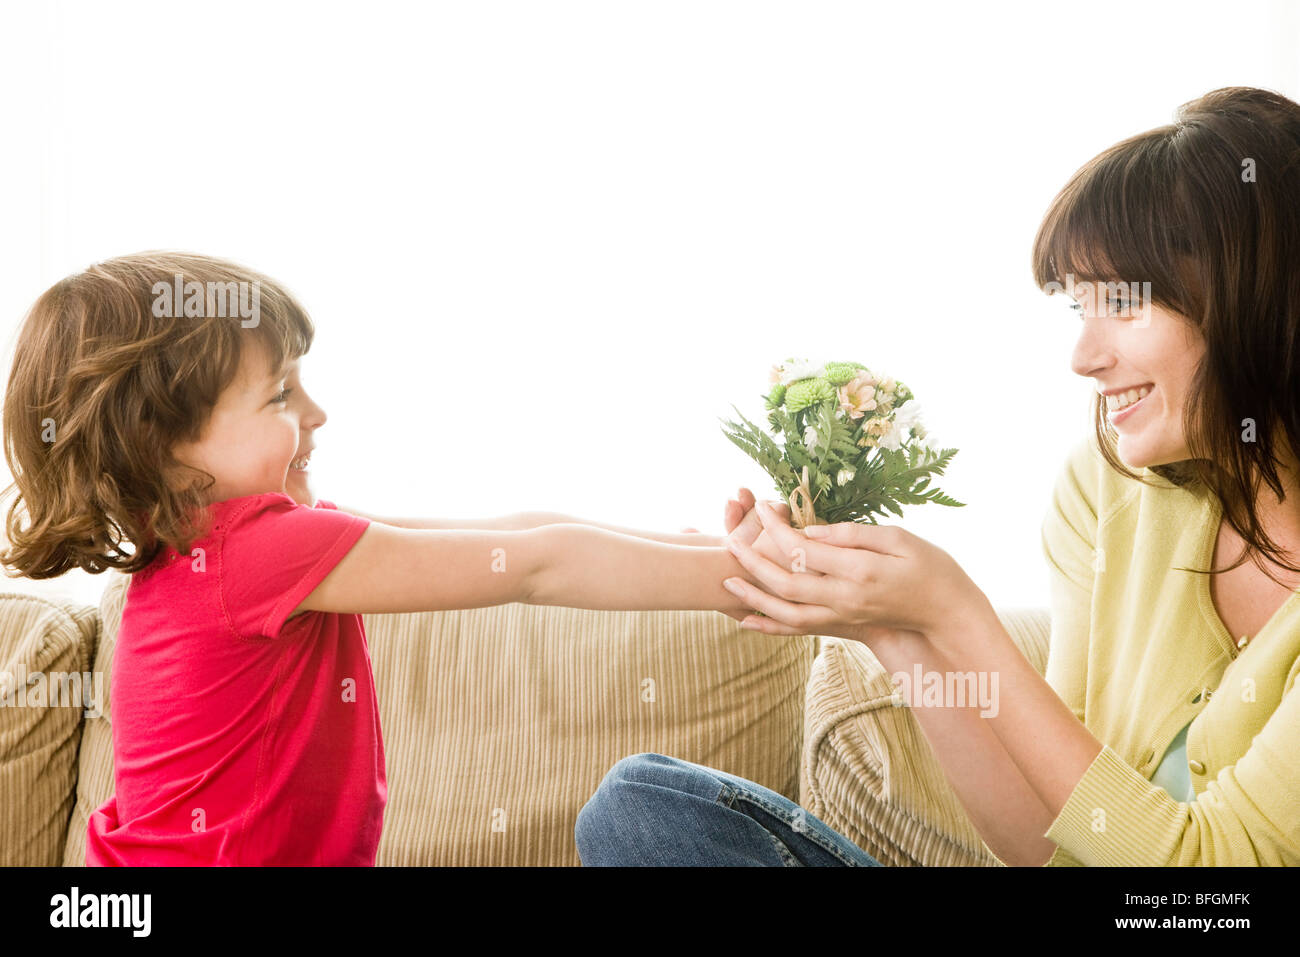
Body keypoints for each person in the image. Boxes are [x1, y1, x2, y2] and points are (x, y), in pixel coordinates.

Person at [576, 86, 1300, 867]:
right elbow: (1048, 844)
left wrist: (959, 614)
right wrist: (890, 627)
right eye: (1077, 310)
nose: (1083, 357)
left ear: (1250, 294)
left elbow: (1213, 880)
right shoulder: (1110, 488)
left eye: (1123, 305)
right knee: (644, 808)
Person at [0, 250, 770, 865]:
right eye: (279, 397)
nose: (317, 412)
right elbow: (536, 565)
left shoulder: (240, 541)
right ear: (166, 452)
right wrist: (739, 581)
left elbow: (505, 535)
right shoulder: (259, 552)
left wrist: (702, 549)